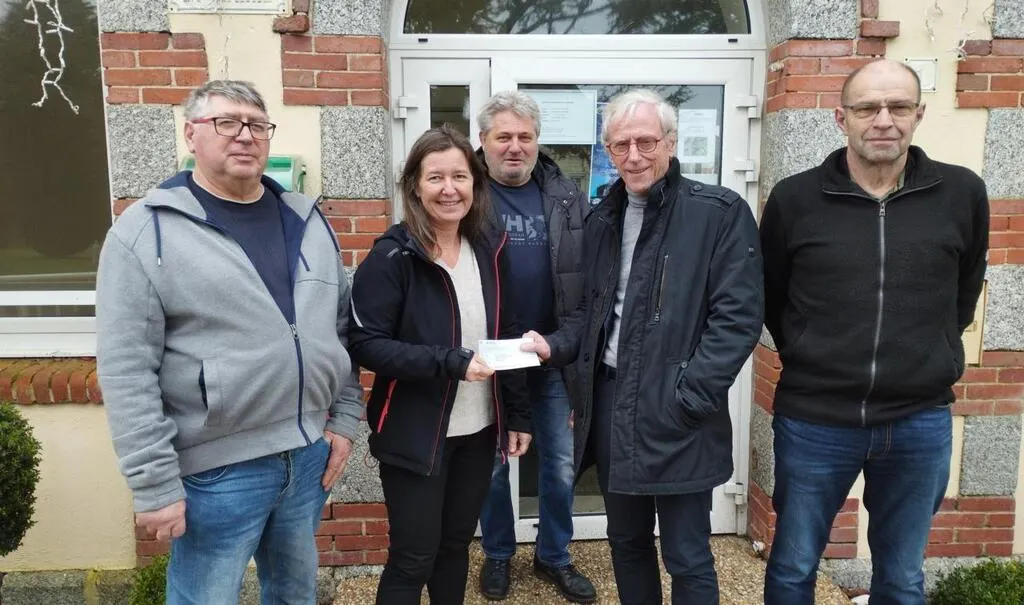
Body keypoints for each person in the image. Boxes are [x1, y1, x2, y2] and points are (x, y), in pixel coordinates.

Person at [95, 80, 364, 604]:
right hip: (217, 469)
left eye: (257, 125)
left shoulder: (307, 220)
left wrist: (344, 421)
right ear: (192, 134)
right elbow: (127, 368)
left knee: (294, 595)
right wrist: (153, 483)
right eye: (227, 122)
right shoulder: (144, 231)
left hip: (307, 455)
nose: (245, 135)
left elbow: (340, 332)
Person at [760, 59, 989, 605]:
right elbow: (771, 296)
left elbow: (964, 291)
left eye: (898, 107)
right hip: (816, 420)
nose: (883, 120)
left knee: (903, 575)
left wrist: (928, 354)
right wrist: (812, 354)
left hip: (919, 420)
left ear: (918, 114)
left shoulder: (962, 194)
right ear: (842, 118)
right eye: (867, 108)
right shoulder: (795, 199)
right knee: (792, 566)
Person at [523, 89, 764, 605]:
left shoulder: (717, 212)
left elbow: (738, 317)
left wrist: (690, 395)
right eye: (621, 144)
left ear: (671, 143)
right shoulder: (600, 220)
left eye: (647, 142)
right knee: (626, 541)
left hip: (678, 408)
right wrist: (555, 348)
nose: (634, 155)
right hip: (612, 405)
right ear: (608, 150)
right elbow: (591, 315)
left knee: (687, 554)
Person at [348, 125, 533, 605]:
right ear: (414, 186)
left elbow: (504, 334)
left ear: (476, 183)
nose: (449, 189)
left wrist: (516, 414)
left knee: (454, 548)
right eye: (435, 178)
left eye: (460, 176)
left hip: (477, 431)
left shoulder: (488, 249)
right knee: (413, 557)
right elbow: (366, 344)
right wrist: (448, 362)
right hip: (415, 433)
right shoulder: (393, 256)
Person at [473, 90, 595, 604]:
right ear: (484, 141)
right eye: (504, 137)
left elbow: (586, 281)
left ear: (537, 140)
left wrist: (564, 346)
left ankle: (554, 555)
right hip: (489, 358)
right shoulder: (465, 190)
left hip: (550, 354)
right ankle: (498, 553)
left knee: (560, 464)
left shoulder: (566, 195)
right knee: (493, 465)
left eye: (525, 137)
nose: (515, 147)